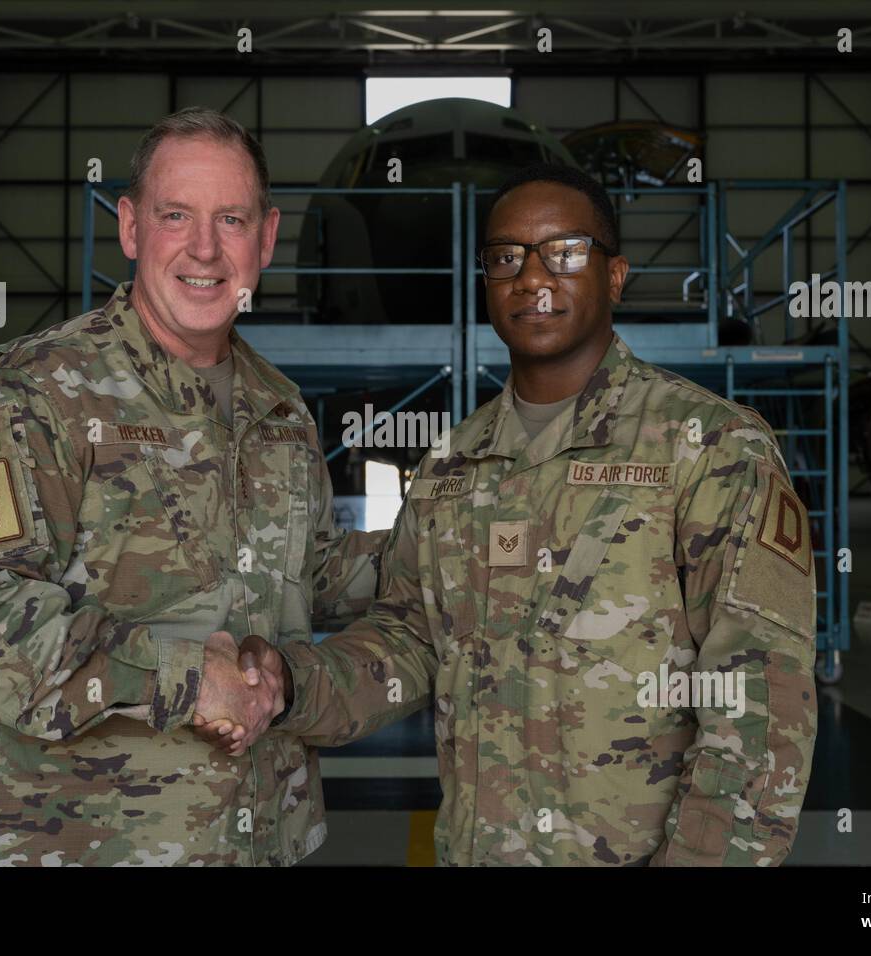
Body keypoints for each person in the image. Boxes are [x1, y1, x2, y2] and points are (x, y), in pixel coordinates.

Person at [219, 163, 819, 866]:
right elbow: (412, 642)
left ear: (615, 275)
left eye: (564, 252)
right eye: (506, 257)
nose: (533, 278)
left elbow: (760, 705)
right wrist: (290, 686)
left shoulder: (710, 447)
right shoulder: (452, 466)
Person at [0, 107, 385, 866]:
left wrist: (452, 542)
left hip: (262, 841)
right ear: (130, 228)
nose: (203, 248)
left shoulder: (279, 405)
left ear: (266, 236)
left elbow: (314, 572)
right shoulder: (26, 391)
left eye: (231, 219)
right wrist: (186, 679)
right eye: (174, 216)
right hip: (83, 846)